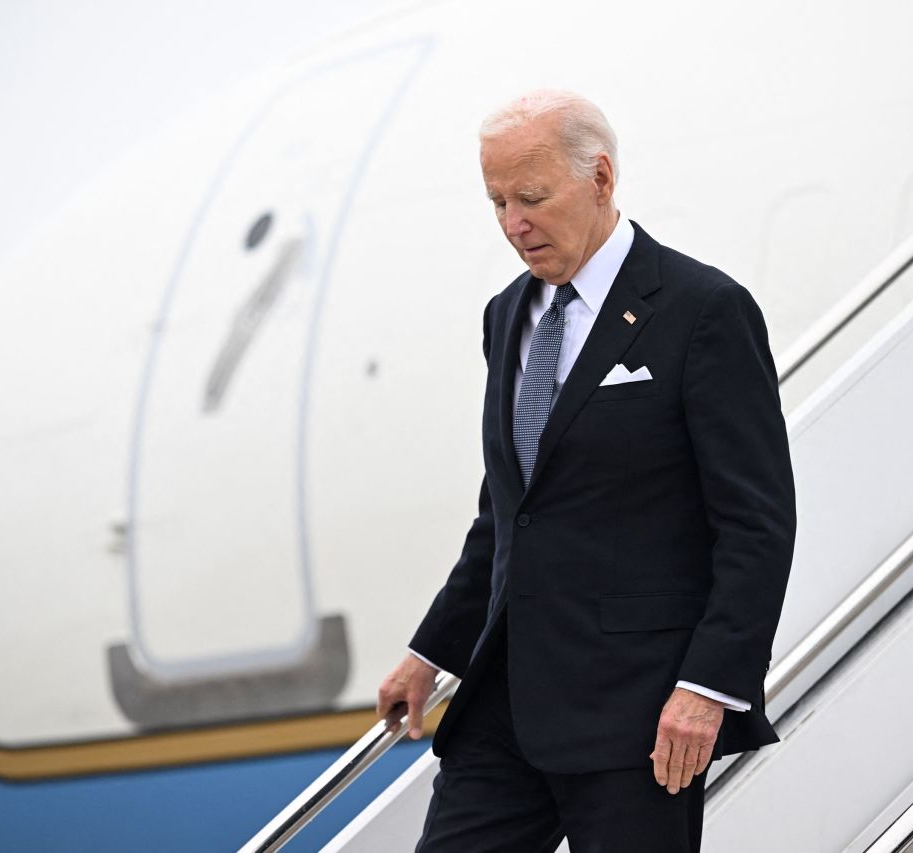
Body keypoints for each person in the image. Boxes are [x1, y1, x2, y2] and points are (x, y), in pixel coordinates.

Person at [377, 89, 796, 853]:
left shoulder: (702, 309)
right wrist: (433, 648)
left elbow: (756, 523)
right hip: (508, 697)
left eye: (531, 197)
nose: (512, 223)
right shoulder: (507, 316)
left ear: (600, 178)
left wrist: (707, 688)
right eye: (497, 201)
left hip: (641, 711)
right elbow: (508, 511)